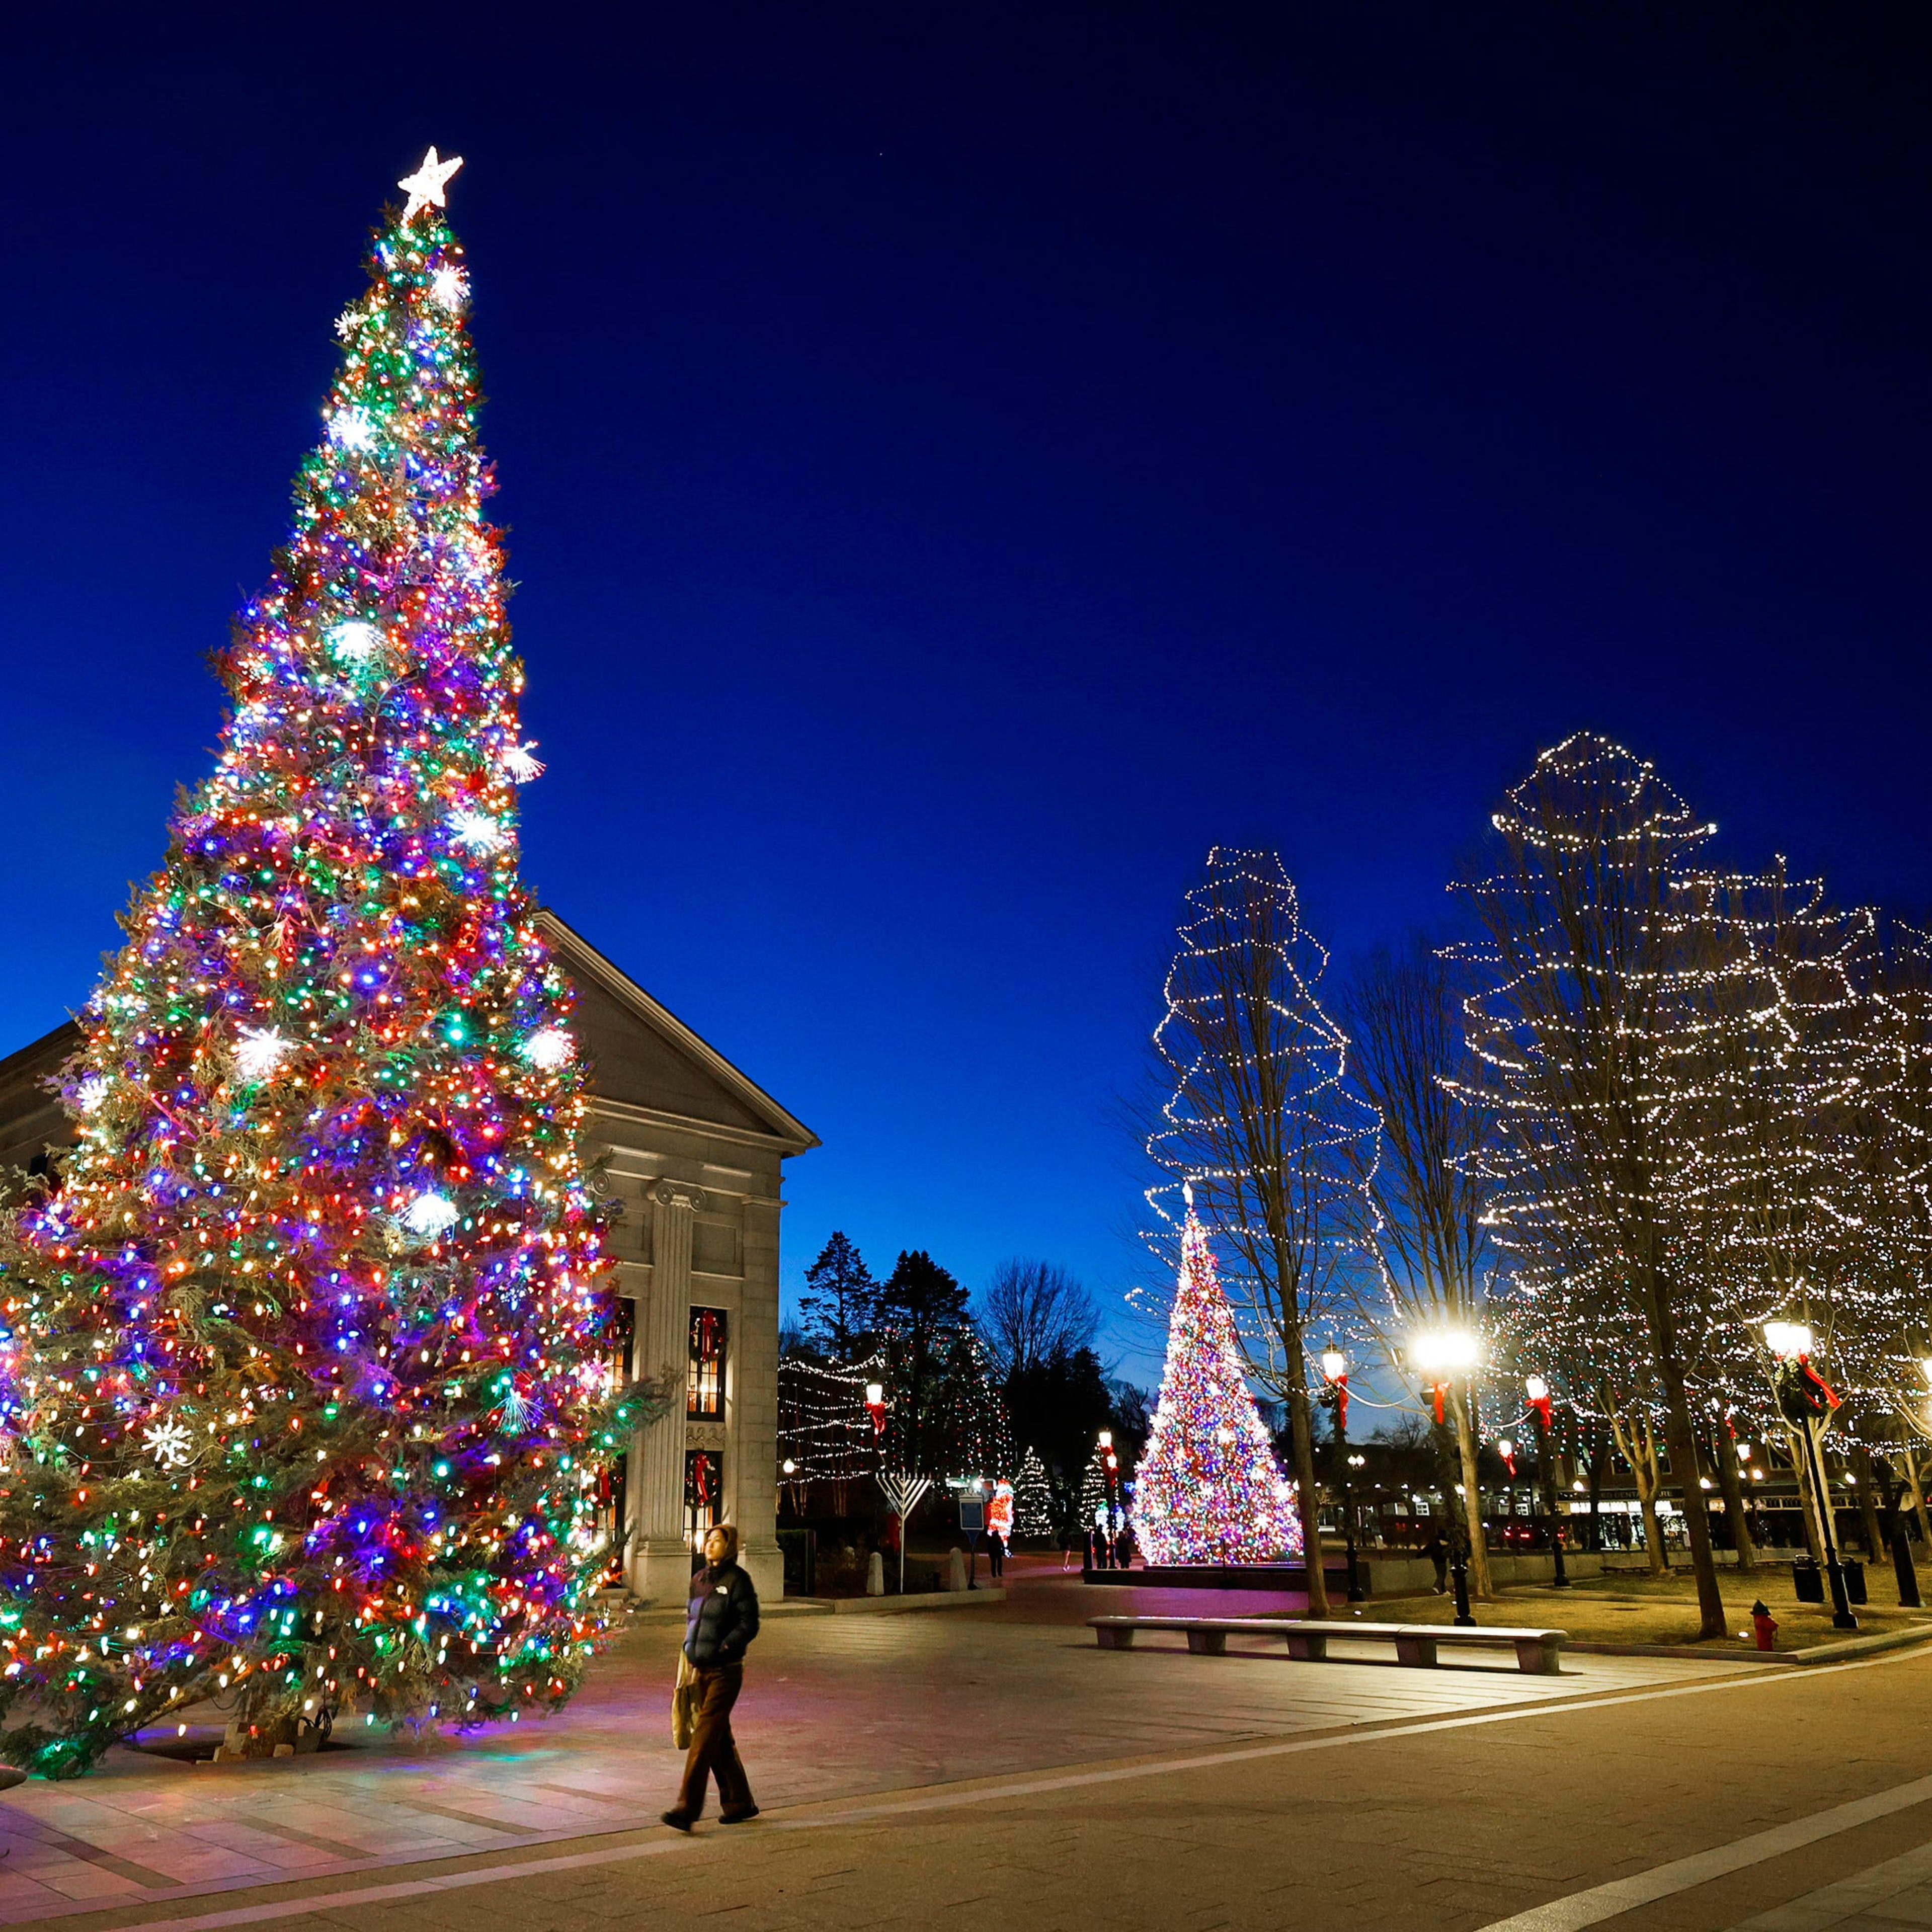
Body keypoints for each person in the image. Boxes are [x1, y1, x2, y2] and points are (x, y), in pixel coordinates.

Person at [662, 1523, 760, 1831]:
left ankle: (687, 1807)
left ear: (729, 1547)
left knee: (703, 1739)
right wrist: (690, 1651)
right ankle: (739, 1802)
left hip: (726, 1672)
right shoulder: (699, 1580)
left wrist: (727, 1645)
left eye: (718, 1541)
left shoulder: (738, 1581)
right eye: (709, 1540)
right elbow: (693, 1620)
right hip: (700, 1670)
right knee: (718, 1740)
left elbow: (750, 1623)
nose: (711, 1544)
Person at [1421, 1527, 1448, 1594]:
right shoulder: (1445, 1542)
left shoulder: (1435, 1543)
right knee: (1442, 1575)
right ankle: (1437, 1587)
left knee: (1440, 1574)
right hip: (1442, 1560)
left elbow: (1427, 1550)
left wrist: (1419, 1555)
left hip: (1436, 1561)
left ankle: (1443, 1590)